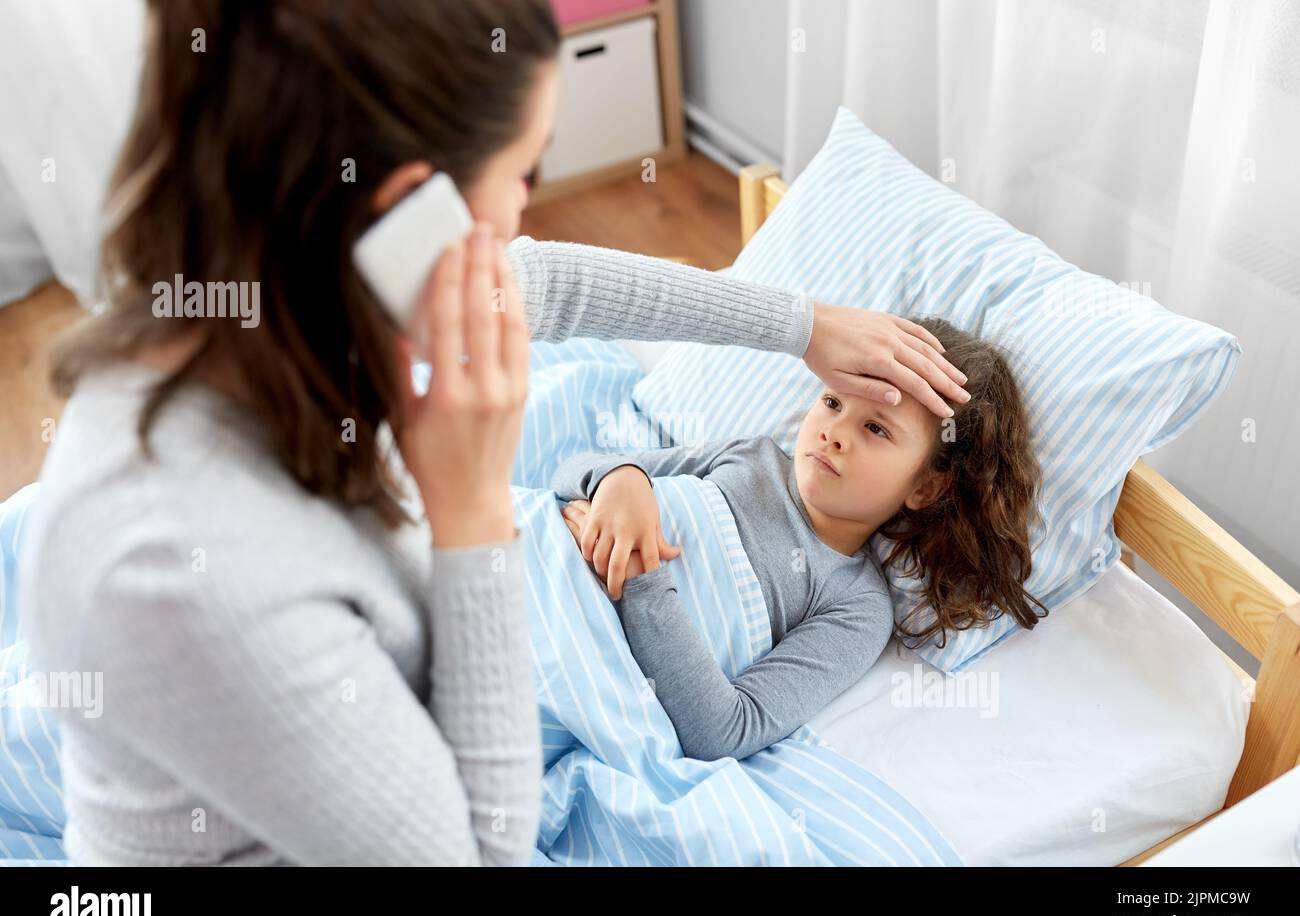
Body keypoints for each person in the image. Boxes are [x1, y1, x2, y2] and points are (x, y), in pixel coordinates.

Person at [22, 0, 970, 865]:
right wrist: (473, 510)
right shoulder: (189, 570)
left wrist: (805, 326)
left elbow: (545, 282)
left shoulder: (293, 305)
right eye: (523, 172)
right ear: (404, 207)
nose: (521, 214)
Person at [555, 318, 1046, 762]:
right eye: (833, 402)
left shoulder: (855, 604)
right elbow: (568, 476)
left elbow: (724, 730)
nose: (833, 433)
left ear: (925, 486)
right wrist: (620, 478)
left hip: (564, 651)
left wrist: (641, 576)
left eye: (876, 428)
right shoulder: (751, 456)